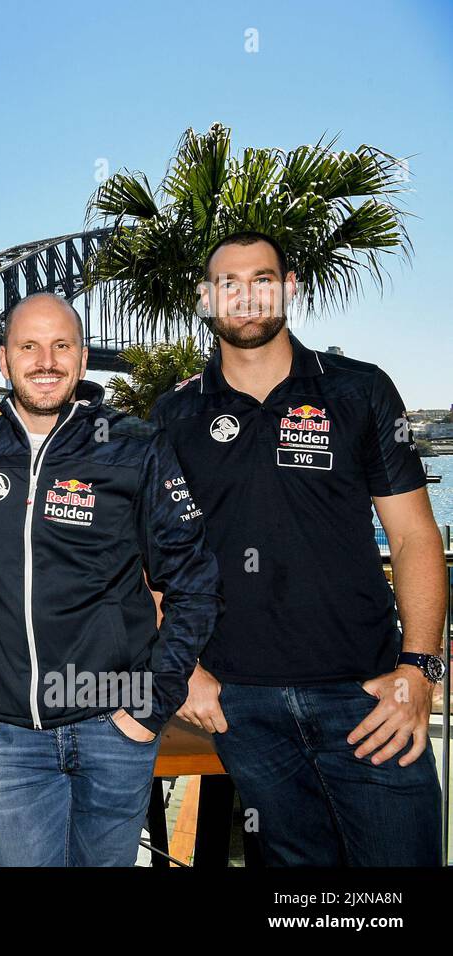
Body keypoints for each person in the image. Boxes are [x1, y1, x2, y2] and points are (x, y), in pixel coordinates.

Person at [153, 231, 446, 866]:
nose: (246, 296)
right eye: (228, 283)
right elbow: (154, 562)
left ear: (290, 289)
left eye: (262, 280)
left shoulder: (359, 390)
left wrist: (420, 669)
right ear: (206, 299)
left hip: (366, 696)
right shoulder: (174, 414)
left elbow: (415, 534)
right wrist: (187, 671)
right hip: (239, 705)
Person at [0, 292, 221, 867]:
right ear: (3, 358)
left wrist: (150, 705)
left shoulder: (134, 443)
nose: (45, 360)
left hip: (114, 723)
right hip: (13, 731)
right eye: (29, 346)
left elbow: (193, 580)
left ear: (83, 355)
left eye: (61, 345)